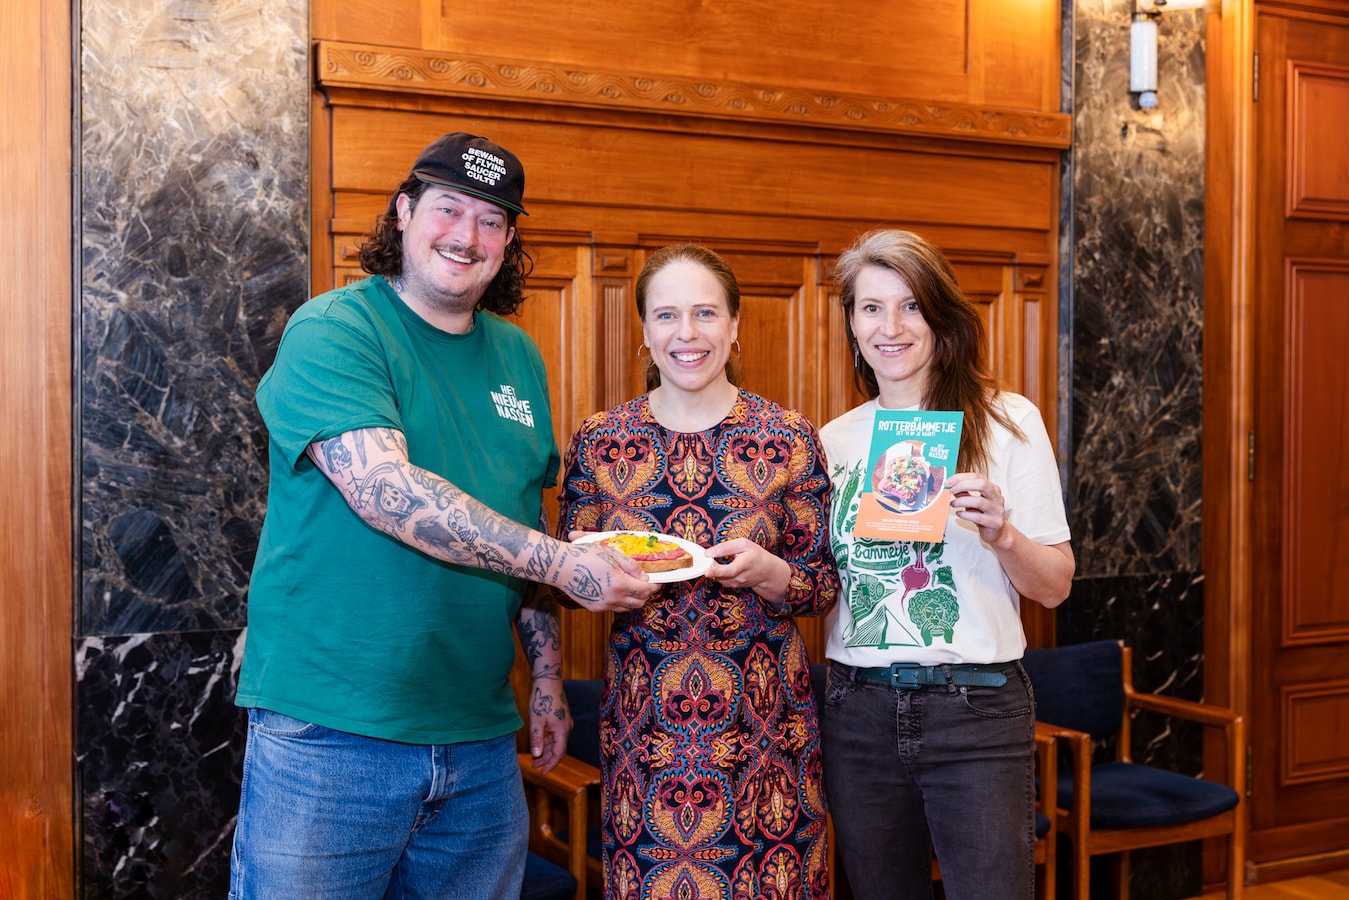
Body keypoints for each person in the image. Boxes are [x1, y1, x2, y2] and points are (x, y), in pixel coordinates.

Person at [229, 132, 658, 900]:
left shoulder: (519, 356)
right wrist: (567, 567)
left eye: (491, 220)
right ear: (403, 212)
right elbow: (385, 491)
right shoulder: (336, 329)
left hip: (479, 737)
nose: (466, 235)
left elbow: (520, 517)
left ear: (510, 241)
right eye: (448, 209)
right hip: (332, 731)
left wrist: (549, 683)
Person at [556, 243, 841, 900]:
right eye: (666, 316)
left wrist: (771, 573)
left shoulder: (787, 436)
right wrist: (590, 576)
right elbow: (560, 579)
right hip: (648, 737)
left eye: (705, 313)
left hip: (767, 733)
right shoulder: (601, 440)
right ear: (645, 332)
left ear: (735, 325)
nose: (686, 334)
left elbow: (820, 585)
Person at [817, 229, 1074, 900]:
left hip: (976, 709)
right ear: (850, 323)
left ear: (940, 318)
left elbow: (1054, 588)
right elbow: (816, 583)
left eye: (909, 305)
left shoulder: (1005, 421)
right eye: (870, 308)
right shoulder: (832, 441)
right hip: (857, 710)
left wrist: (1003, 536)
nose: (890, 326)